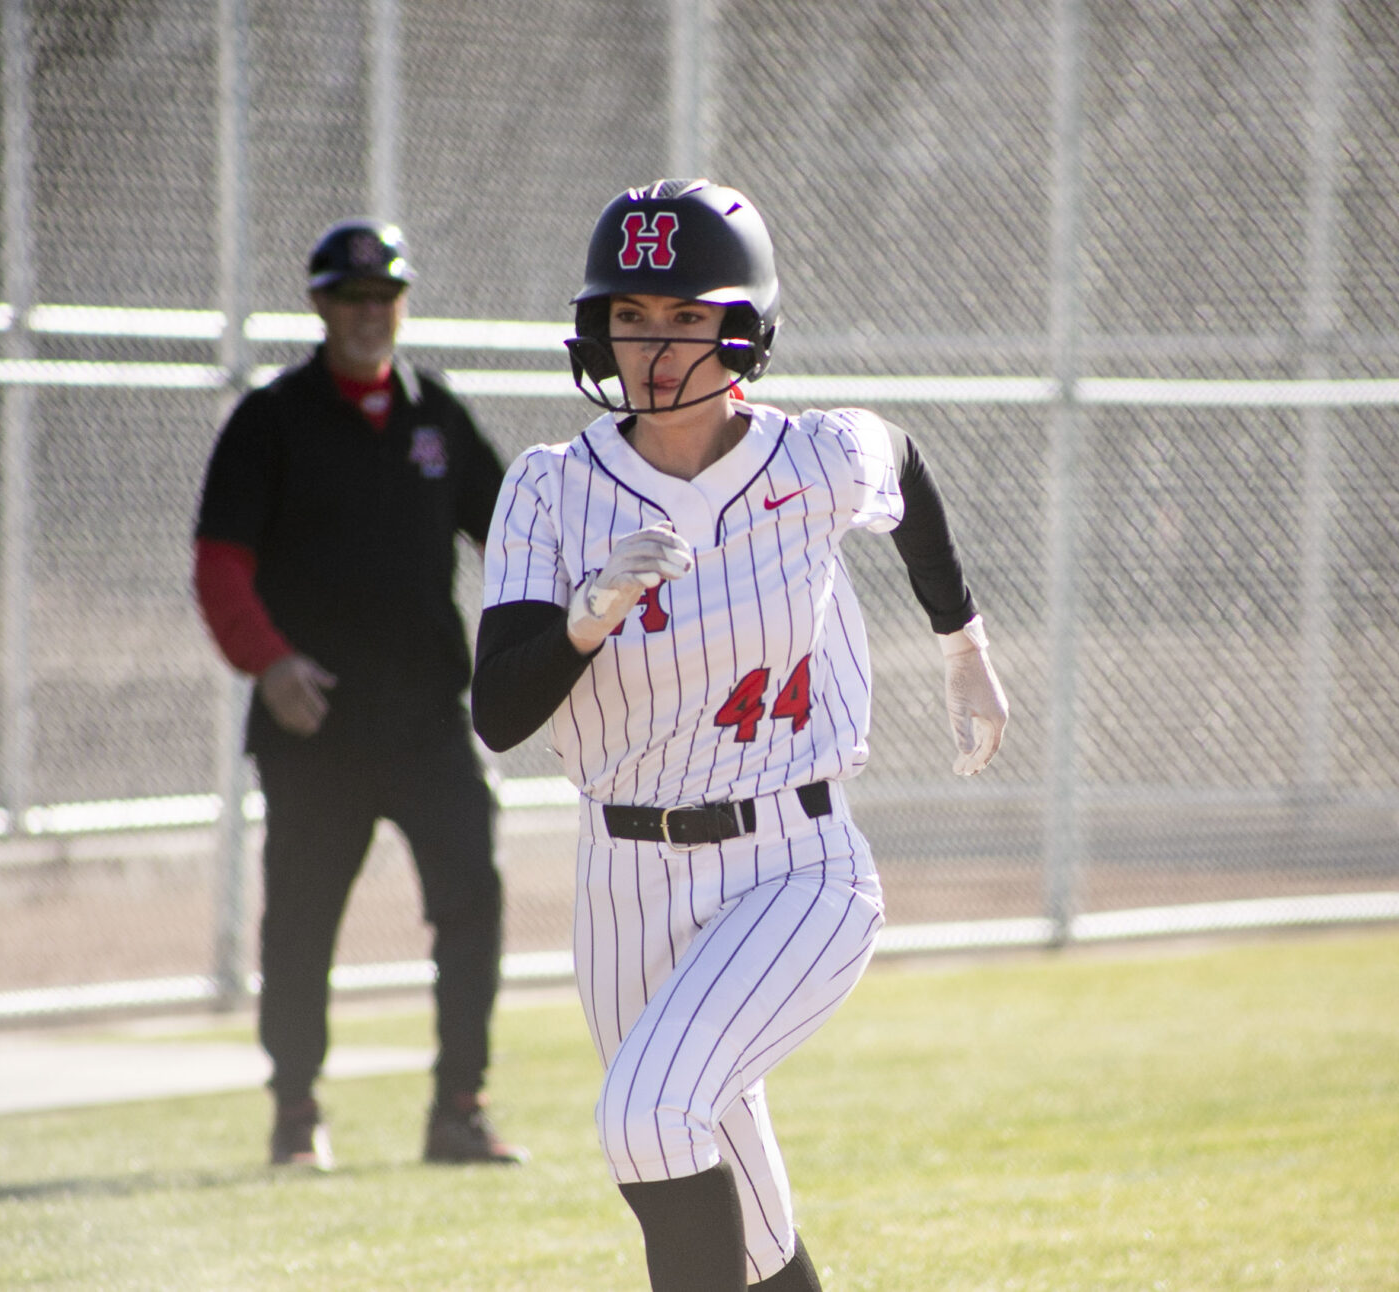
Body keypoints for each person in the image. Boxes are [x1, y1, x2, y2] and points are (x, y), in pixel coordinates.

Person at [472, 179, 1008, 1290]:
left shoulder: (813, 457)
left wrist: (962, 643)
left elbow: (904, 466)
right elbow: (500, 711)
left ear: (743, 330)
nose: (654, 344)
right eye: (630, 315)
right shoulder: (550, 487)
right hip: (623, 876)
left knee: (648, 1115)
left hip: (795, 858)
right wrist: (585, 619)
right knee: (746, 1226)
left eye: (686, 315)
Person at [193, 217, 525, 1170]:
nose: (369, 314)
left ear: (402, 305)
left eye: (384, 297)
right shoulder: (272, 420)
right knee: (301, 925)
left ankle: (458, 1111)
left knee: (472, 901)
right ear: (320, 305)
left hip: (428, 722)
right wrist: (269, 663)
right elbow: (219, 566)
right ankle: (297, 1113)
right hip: (316, 725)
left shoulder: (435, 415)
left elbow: (513, 534)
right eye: (350, 298)